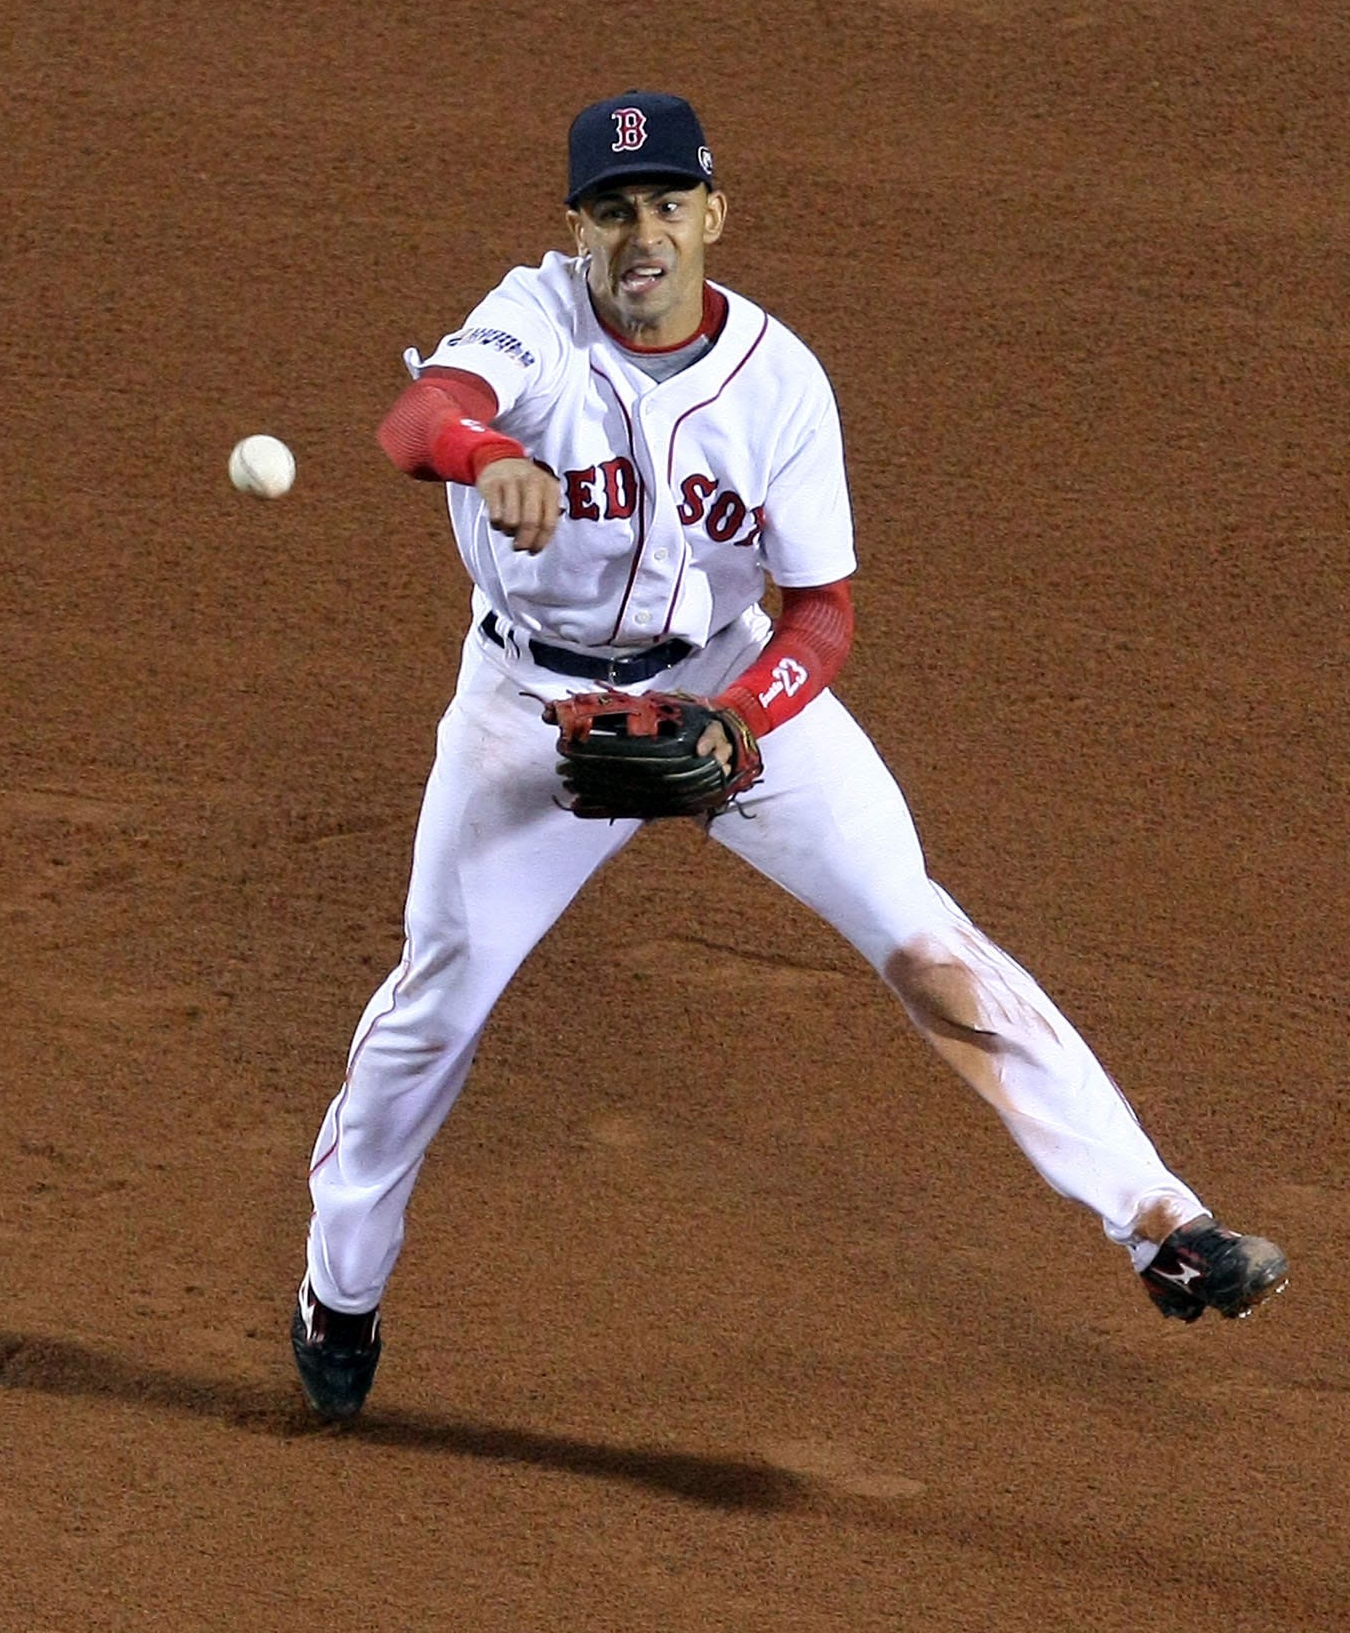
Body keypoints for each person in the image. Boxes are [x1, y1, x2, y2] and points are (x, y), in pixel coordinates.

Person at [292, 91, 1287, 1422]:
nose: (639, 233)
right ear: (573, 226)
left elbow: (823, 613)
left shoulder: (780, 380)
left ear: (712, 212)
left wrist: (739, 721)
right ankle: (338, 1293)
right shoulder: (533, 321)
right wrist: (488, 454)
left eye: (664, 204)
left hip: (722, 672)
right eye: (610, 209)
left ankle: (1162, 1223)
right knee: (433, 1015)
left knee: (929, 943)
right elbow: (420, 421)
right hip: (525, 707)